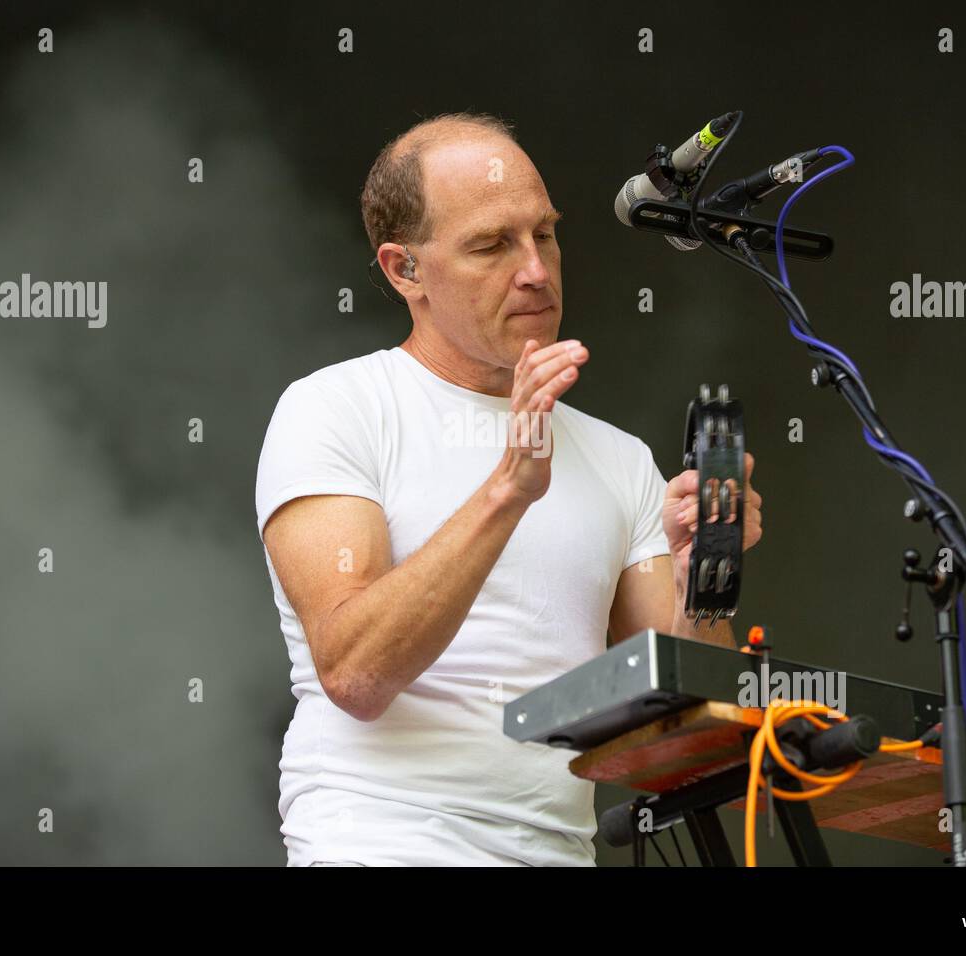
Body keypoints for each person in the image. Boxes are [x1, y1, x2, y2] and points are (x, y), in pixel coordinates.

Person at [255, 111, 762, 866]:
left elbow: (698, 734)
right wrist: (509, 489)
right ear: (405, 270)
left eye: (546, 235)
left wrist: (704, 581)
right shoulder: (335, 408)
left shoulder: (618, 457)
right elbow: (356, 674)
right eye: (491, 244)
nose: (535, 270)